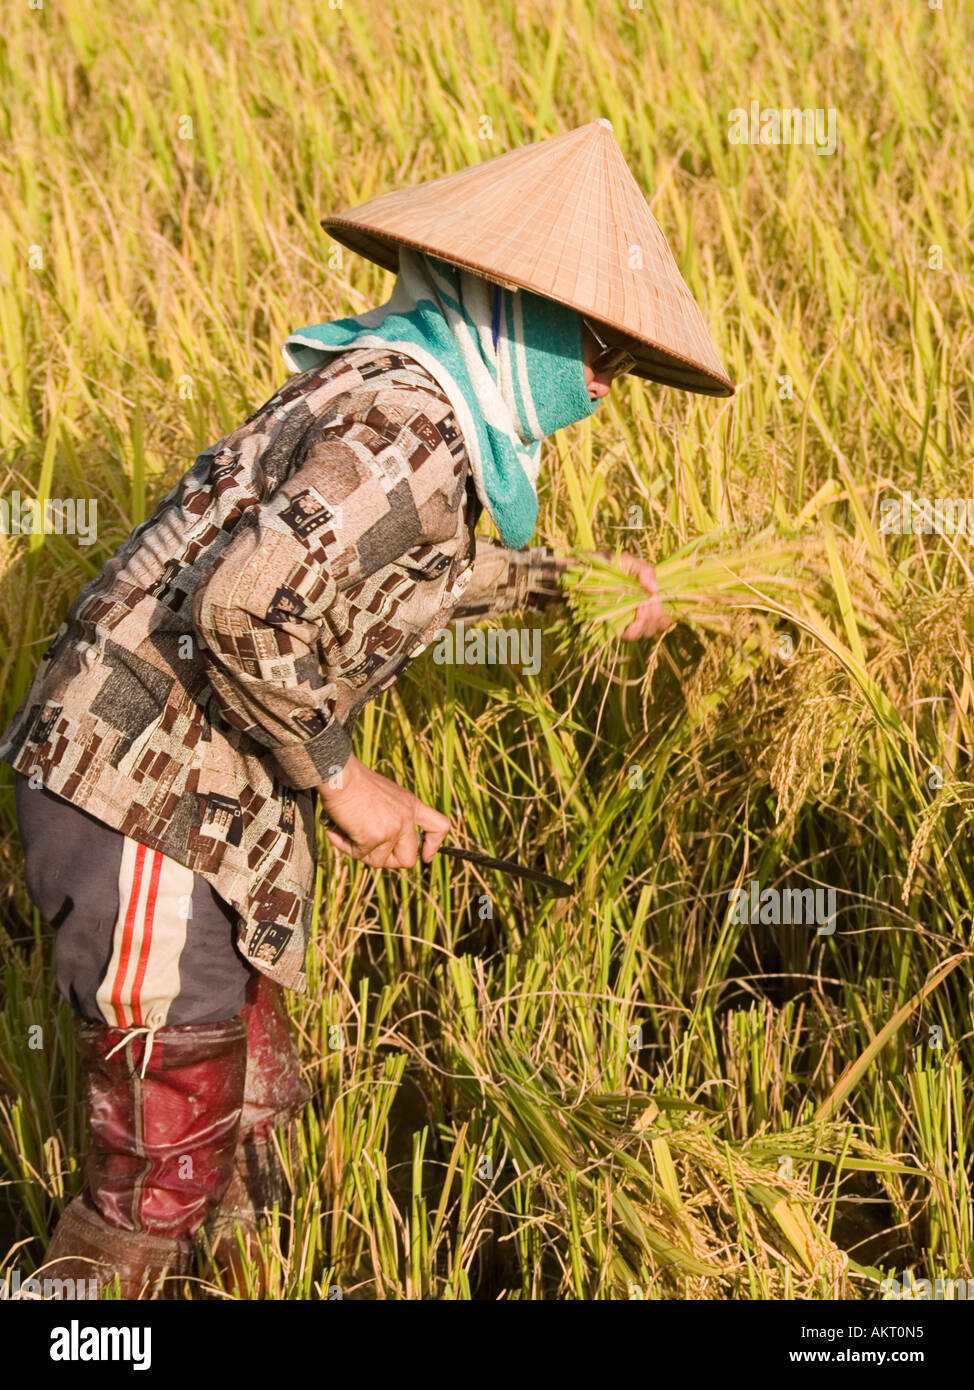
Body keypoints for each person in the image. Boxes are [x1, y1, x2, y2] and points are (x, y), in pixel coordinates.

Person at [0, 120, 732, 1298]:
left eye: (626, 363)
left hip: (202, 802)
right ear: (509, 305)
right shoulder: (410, 421)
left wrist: (568, 586)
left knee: (252, 1119)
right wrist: (347, 781)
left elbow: (390, 563)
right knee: (160, 1164)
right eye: (597, 343)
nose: (604, 381)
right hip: (139, 790)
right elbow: (245, 607)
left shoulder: (405, 393)